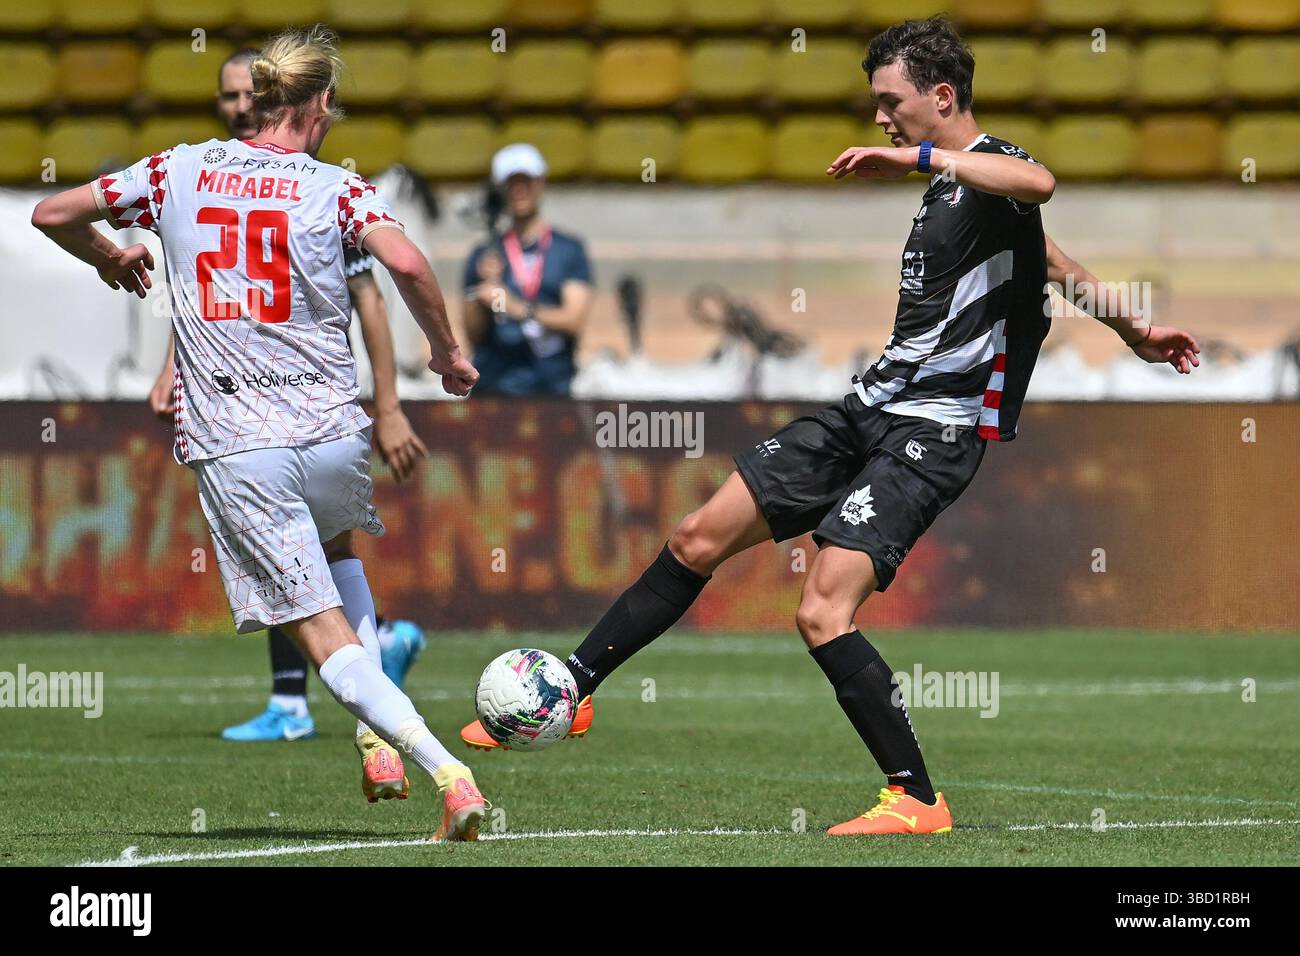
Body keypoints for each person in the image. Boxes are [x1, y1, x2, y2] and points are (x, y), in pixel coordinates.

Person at [461, 16, 1201, 835]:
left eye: (892, 103)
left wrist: (914, 155)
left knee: (821, 611)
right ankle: (571, 691)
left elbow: (1042, 184)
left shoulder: (989, 170)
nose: (881, 119)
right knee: (696, 538)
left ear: (942, 97)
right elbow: (1056, 266)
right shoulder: (957, 190)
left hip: (932, 435)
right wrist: (1137, 331)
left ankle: (917, 800)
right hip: (866, 410)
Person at [34, 25, 487, 841]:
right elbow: (410, 268)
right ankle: (375, 734)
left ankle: (446, 772)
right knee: (341, 554)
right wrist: (448, 354)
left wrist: (107, 255)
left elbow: (51, 211)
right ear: (320, 104)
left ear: (261, 97)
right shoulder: (337, 189)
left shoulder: (179, 170)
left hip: (242, 447)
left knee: (322, 639)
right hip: (332, 436)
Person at [146, 47, 430, 745]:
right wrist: (172, 364)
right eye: (227, 95)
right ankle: (331, 683)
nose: (239, 105)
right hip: (242, 393)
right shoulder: (207, 176)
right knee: (290, 542)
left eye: (249, 93)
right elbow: (209, 296)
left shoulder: (311, 186)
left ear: (277, 98)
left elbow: (369, 299)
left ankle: (325, 684)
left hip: (300, 401)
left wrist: (388, 404)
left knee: (290, 538)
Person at [462, 143, 594, 396]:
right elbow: (472, 335)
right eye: (511, 183)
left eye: (527, 181)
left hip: (553, 385)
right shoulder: (484, 254)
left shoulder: (569, 249)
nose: (519, 190)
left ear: (541, 183)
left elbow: (574, 320)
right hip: (496, 385)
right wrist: (484, 290)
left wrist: (516, 308)